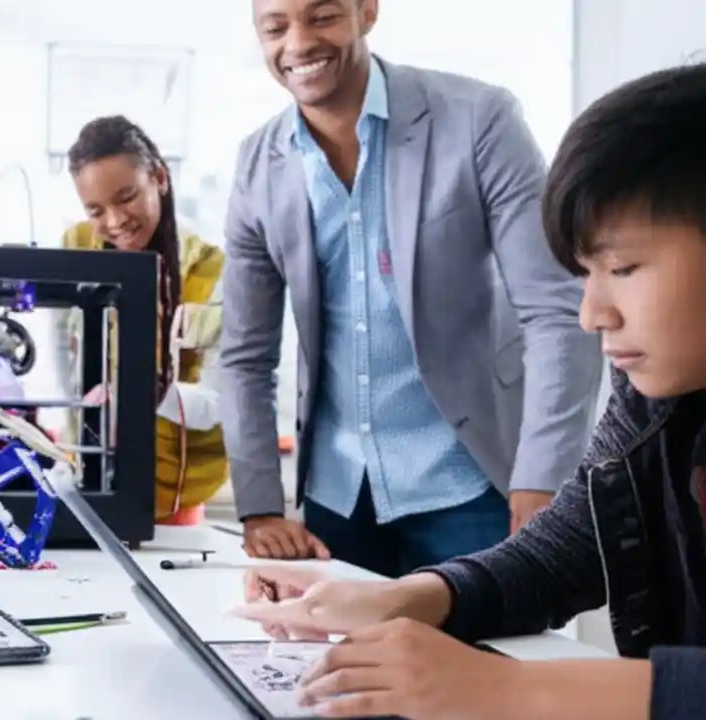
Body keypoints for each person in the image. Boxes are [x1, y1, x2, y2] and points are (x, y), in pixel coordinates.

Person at [233, 62, 706, 720]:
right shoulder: (657, 401)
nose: (591, 313)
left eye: (622, 268)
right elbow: (569, 549)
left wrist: (507, 688)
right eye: (587, 273)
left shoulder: (478, 116)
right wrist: (404, 598)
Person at [218, 0, 602, 573]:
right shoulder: (257, 164)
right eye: (275, 27)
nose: (297, 44)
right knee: (343, 663)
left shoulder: (479, 118)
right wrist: (259, 507)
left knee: (490, 660)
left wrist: (543, 476)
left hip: (473, 486)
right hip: (338, 499)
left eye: (322, 16)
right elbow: (245, 356)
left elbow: (555, 309)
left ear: (366, 10)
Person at [61, 115, 237, 526]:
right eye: (96, 210)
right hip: (88, 488)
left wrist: (150, 394)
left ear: (159, 176)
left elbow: (224, 403)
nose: (115, 221)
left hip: (176, 502)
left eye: (127, 197)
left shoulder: (215, 275)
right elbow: (59, 364)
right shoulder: (76, 249)